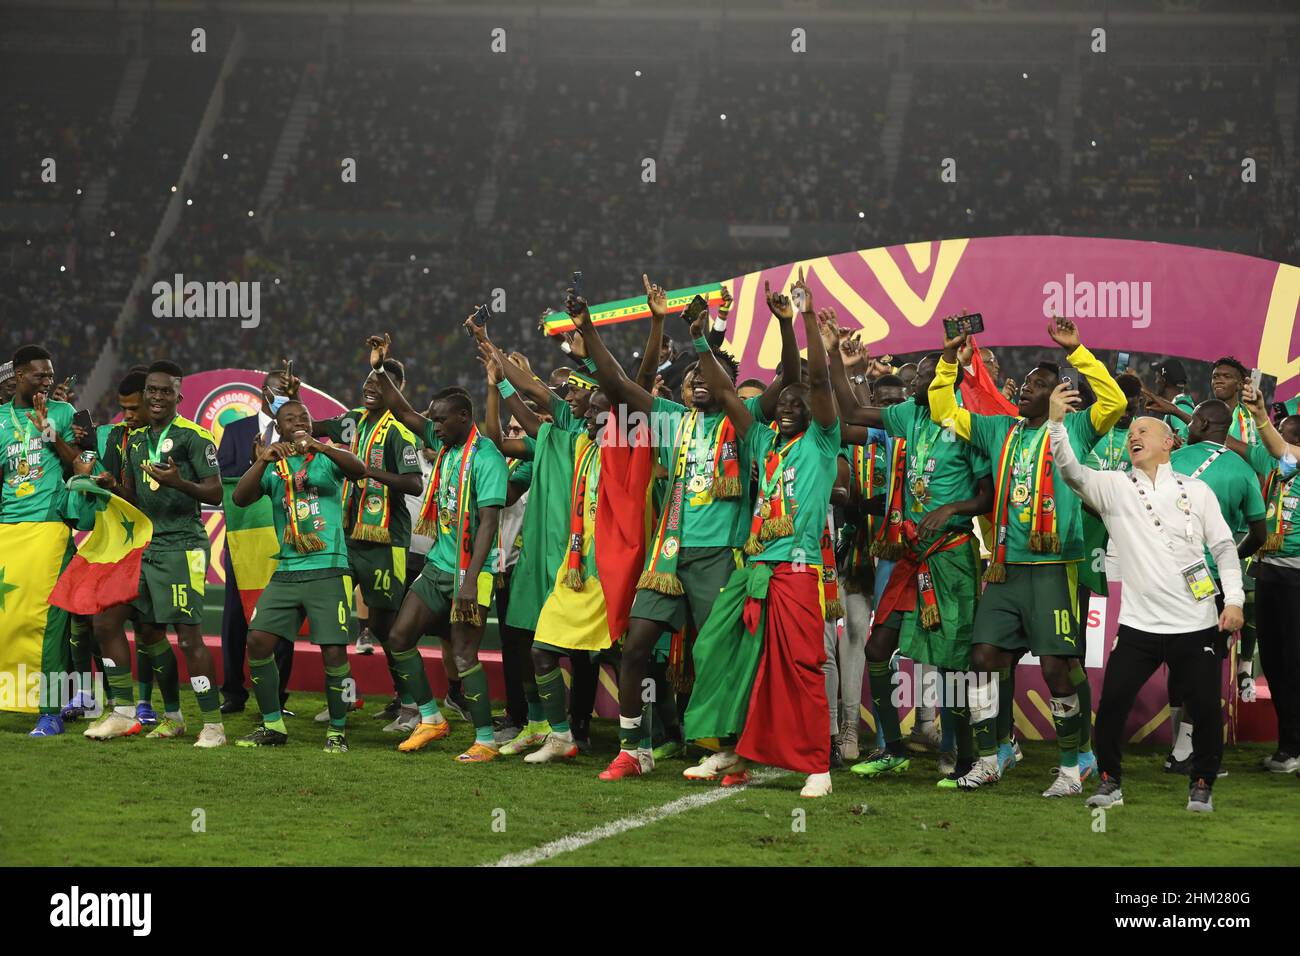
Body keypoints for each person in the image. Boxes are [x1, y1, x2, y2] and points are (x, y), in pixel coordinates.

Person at [572, 275, 799, 780]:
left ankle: (731, 748)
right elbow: (618, 387)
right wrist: (588, 331)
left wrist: (785, 324)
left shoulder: (742, 422)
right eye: (692, 374)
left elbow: (789, 379)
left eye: (708, 374)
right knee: (635, 644)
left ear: (726, 384)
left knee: (715, 653)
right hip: (670, 553)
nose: (697, 380)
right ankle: (635, 748)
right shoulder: (672, 419)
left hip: (722, 554)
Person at [929, 318, 1125, 796]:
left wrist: (1077, 351)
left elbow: (1116, 401)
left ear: (1056, 394)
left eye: (1039, 385)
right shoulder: (999, 430)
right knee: (982, 659)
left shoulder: (1075, 427)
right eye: (1028, 383)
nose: (1025, 389)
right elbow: (942, 410)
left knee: (1058, 669)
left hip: (1054, 569)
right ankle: (992, 757)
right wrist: (946, 359)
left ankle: (1072, 764)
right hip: (1003, 568)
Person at [1045, 388, 1244, 813]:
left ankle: (1203, 782)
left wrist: (1236, 600)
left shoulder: (1198, 492)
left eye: (1144, 430)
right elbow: (1071, 472)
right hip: (1139, 627)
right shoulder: (1114, 488)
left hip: (1197, 621)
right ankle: (1109, 781)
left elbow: (1225, 548)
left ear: (1169, 441)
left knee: (1206, 708)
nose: (1135, 435)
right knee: (1113, 704)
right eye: (1132, 431)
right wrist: (1057, 425)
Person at [683, 268, 840, 798]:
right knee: (716, 649)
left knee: (800, 667)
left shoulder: (821, 443)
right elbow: (727, 394)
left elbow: (817, 381)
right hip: (754, 571)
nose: (792, 407)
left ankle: (817, 765)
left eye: (800, 404)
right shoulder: (763, 443)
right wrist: (703, 341)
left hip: (797, 571)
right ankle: (732, 746)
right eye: (785, 403)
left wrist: (801, 322)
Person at [826, 314, 994, 787]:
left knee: (949, 659)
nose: (914, 379)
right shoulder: (908, 416)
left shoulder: (968, 423)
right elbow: (852, 416)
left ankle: (961, 755)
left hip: (950, 553)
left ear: (949, 378)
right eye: (914, 374)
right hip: (909, 553)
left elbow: (987, 494)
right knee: (879, 647)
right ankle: (893, 747)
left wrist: (953, 508)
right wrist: (843, 363)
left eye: (924, 373)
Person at [367, 334, 508, 762]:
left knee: (465, 654)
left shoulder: (487, 459)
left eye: (442, 421)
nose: (435, 426)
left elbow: (488, 524)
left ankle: (485, 740)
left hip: (472, 570)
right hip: (437, 564)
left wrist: (468, 581)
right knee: (399, 635)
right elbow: (405, 412)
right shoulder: (446, 441)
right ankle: (431, 718)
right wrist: (379, 366)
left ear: (465, 417)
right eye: (435, 420)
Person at [82, 361, 226, 746]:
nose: (157, 397)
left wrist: (181, 482)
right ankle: (129, 713)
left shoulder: (195, 437)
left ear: (179, 395)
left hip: (183, 546)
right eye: (152, 391)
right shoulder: (138, 440)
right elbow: (138, 500)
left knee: (190, 638)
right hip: (145, 546)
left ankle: (213, 725)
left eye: (165, 391)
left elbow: (215, 493)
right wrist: (113, 485)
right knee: (114, 624)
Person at [231, 399, 367, 752]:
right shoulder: (274, 467)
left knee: (333, 651)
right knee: (258, 641)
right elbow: (241, 498)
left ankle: (337, 731)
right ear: (279, 427)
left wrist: (321, 444)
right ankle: (273, 726)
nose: (298, 422)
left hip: (328, 568)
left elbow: (359, 470)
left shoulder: (326, 455)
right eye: (289, 419)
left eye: (303, 417)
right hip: (288, 570)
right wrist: (262, 460)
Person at [313, 357, 424, 724]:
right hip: (346, 536)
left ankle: (408, 704)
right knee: (338, 620)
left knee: (386, 626)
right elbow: (313, 427)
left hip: (386, 539)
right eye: (368, 382)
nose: (370, 388)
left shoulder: (399, 432)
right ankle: (344, 700)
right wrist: (287, 401)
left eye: (381, 384)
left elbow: (414, 483)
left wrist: (366, 470)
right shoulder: (352, 421)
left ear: (397, 390)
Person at [1163, 399, 1267, 772]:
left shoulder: (1172, 460)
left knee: (1177, 656)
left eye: (1192, 419)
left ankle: (1178, 745)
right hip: (1211, 579)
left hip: (1167, 573)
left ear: (1203, 423)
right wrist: (1232, 557)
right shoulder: (1242, 470)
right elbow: (1259, 532)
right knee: (1205, 661)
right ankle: (1183, 751)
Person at [3, 346, 84, 736]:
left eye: (51, 375)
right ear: (19, 376)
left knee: (51, 625)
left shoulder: (64, 414)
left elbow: (77, 464)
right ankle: (11, 698)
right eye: (40, 375)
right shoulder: (0, 419)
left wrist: (47, 430)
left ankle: (50, 712)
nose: (48, 382)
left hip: (50, 529)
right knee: (8, 619)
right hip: (8, 530)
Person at [215, 367, 298, 716]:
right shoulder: (235, 430)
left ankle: (276, 698)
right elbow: (222, 480)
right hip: (246, 537)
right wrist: (256, 465)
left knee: (283, 615)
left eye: (290, 391)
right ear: (264, 391)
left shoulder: (298, 432)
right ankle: (233, 692)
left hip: (286, 535)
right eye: (279, 389)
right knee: (235, 615)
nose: (284, 394)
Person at [1241, 385, 1300, 773]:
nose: (1285, 438)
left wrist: (1261, 415)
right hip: (1268, 571)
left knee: (1294, 661)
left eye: (1292, 434)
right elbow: (1238, 447)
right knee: (1276, 663)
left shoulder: (1287, 457)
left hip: (1297, 576)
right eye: (1284, 431)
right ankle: (1289, 746)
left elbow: (1282, 452)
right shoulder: (1273, 462)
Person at [1152, 359, 1196, 441]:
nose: (1155, 381)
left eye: (1157, 377)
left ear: (1163, 380)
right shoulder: (1177, 404)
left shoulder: (1180, 407)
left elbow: (1184, 445)